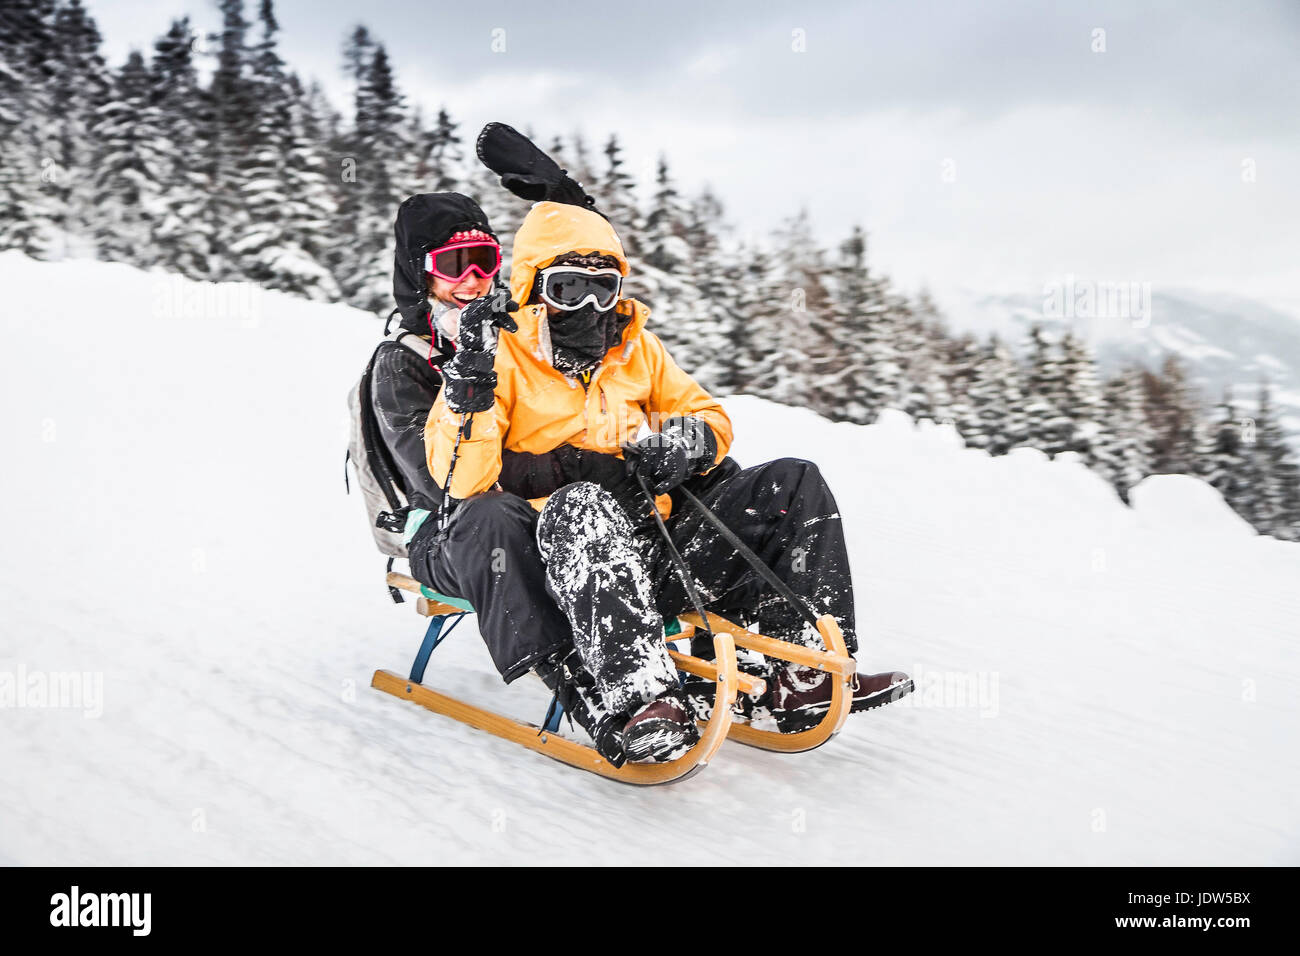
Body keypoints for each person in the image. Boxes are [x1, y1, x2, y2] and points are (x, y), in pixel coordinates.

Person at [409, 200, 913, 765]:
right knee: (583, 502)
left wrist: (685, 442)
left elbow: (708, 415)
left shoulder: (635, 348)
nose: (590, 306)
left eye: (603, 289)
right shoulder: (498, 354)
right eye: (569, 289)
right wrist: (468, 394)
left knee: (793, 481)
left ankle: (803, 675)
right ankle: (644, 697)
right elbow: (463, 481)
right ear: (533, 286)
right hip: (558, 564)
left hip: (652, 546)